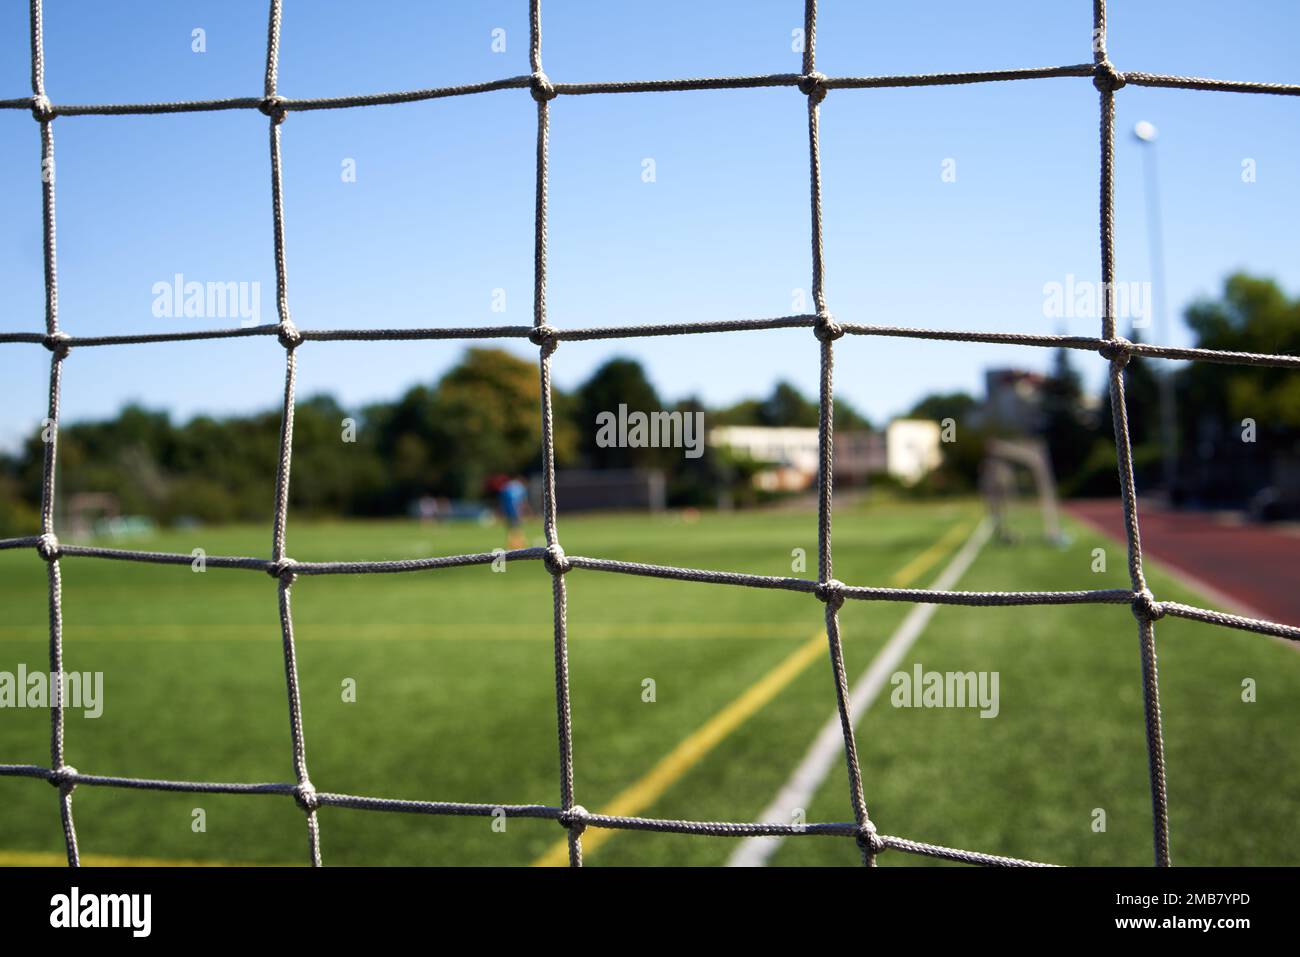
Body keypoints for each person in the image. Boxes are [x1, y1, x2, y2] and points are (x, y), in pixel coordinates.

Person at [499, 475, 529, 549]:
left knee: (511, 527)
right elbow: (522, 501)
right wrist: (525, 511)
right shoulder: (520, 487)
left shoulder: (506, 486)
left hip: (508, 510)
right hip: (516, 510)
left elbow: (502, 500)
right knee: (517, 527)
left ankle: (512, 543)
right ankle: (518, 543)